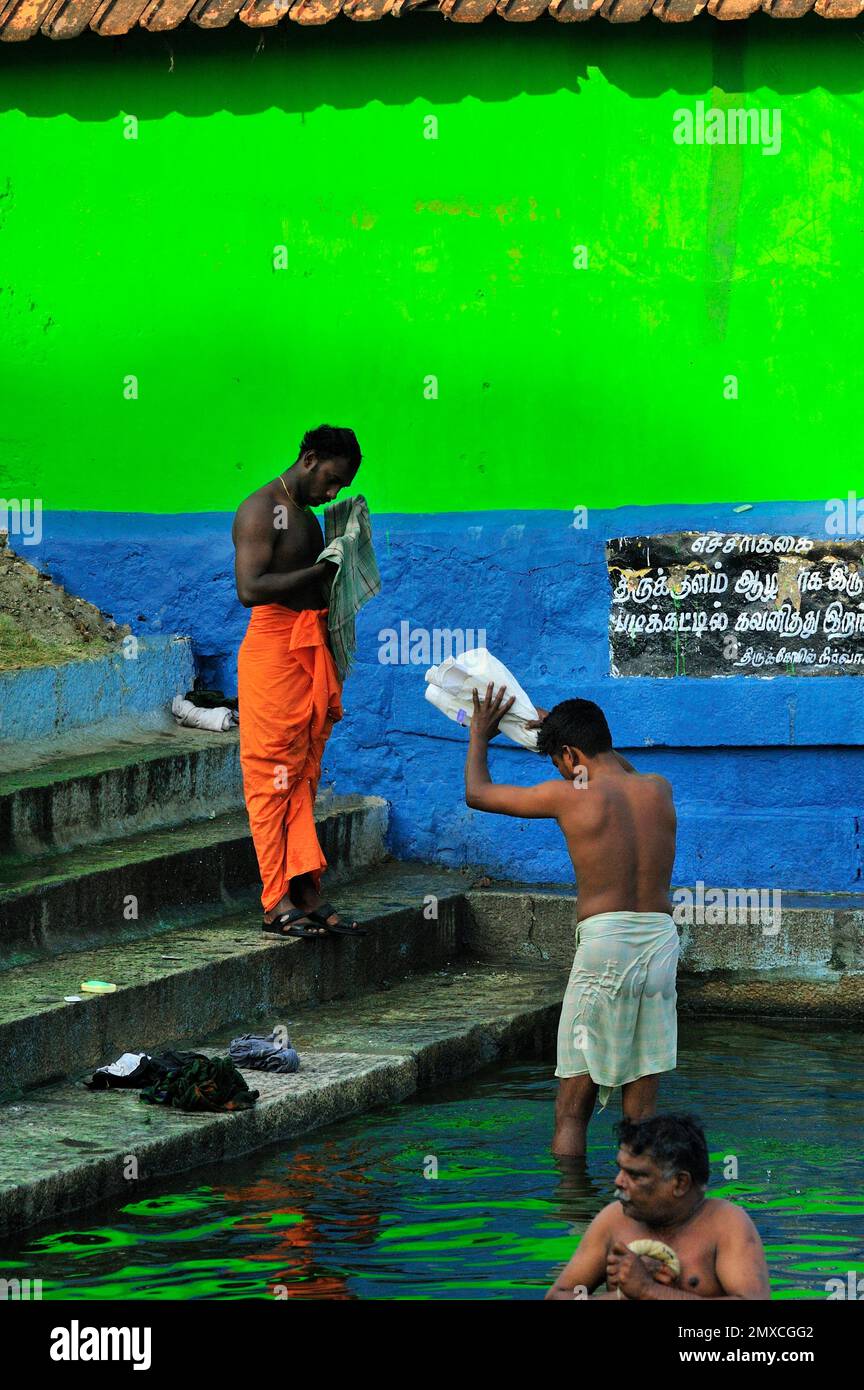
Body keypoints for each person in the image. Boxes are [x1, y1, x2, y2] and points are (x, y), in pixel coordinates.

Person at [464, 686, 678, 1154]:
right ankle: (638, 1208)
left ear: (569, 754)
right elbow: (615, 764)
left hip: (606, 945)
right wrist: (569, 731)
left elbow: (477, 793)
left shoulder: (569, 796)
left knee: (570, 1112)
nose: (559, 770)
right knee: (642, 1113)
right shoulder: (657, 788)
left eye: (558, 760)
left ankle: (572, 1214)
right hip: (662, 944)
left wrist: (480, 734)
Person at [232, 424, 366, 939]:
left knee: (303, 773)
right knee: (271, 775)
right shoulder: (261, 508)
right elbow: (250, 588)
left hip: (307, 650)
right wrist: (320, 572)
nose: (332, 493)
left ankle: (306, 890)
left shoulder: (306, 514)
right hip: (272, 653)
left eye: (341, 486)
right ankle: (274, 901)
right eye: (331, 480)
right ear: (309, 459)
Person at [545, 1114, 771, 1300]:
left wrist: (648, 1290)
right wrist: (622, 1296)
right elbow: (558, 1296)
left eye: (636, 1175)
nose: (618, 1181)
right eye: (621, 1169)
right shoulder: (613, 1220)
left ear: (680, 1183)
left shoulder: (726, 1223)